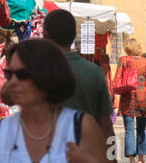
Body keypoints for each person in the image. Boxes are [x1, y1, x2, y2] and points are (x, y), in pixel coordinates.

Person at [43, 8, 114, 155]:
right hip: (86, 158)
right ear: (74, 37)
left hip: (46, 157)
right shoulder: (94, 72)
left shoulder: (37, 71)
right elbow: (106, 126)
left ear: (45, 35)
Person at [115, 36, 146, 163]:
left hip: (127, 98)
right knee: (141, 129)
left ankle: (131, 161)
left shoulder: (123, 60)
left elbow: (116, 79)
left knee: (129, 129)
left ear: (127, 47)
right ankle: (141, 159)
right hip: (142, 98)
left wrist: (113, 97)